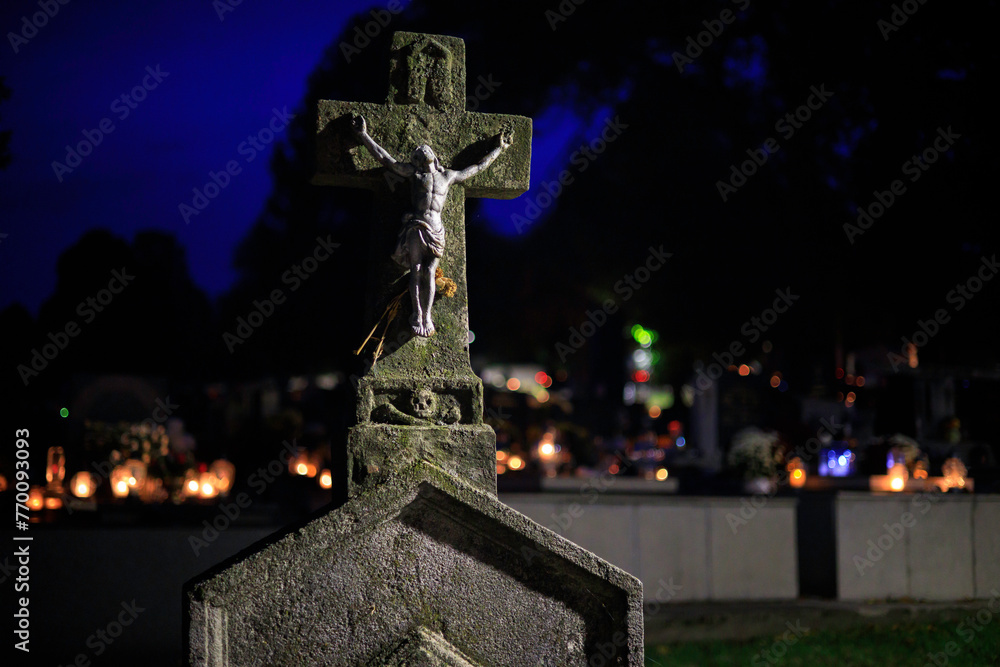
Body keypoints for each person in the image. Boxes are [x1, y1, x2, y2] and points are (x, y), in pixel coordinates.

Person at [353, 113, 511, 336]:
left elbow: (477, 167)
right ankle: (417, 314)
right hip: (417, 226)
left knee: (429, 271)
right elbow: (385, 159)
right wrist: (363, 135)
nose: (423, 149)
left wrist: (499, 149)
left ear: (434, 157)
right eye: (419, 151)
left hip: (436, 230)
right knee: (416, 269)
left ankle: (426, 315)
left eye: (426, 149)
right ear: (417, 159)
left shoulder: (448, 176)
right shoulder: (414, 175)